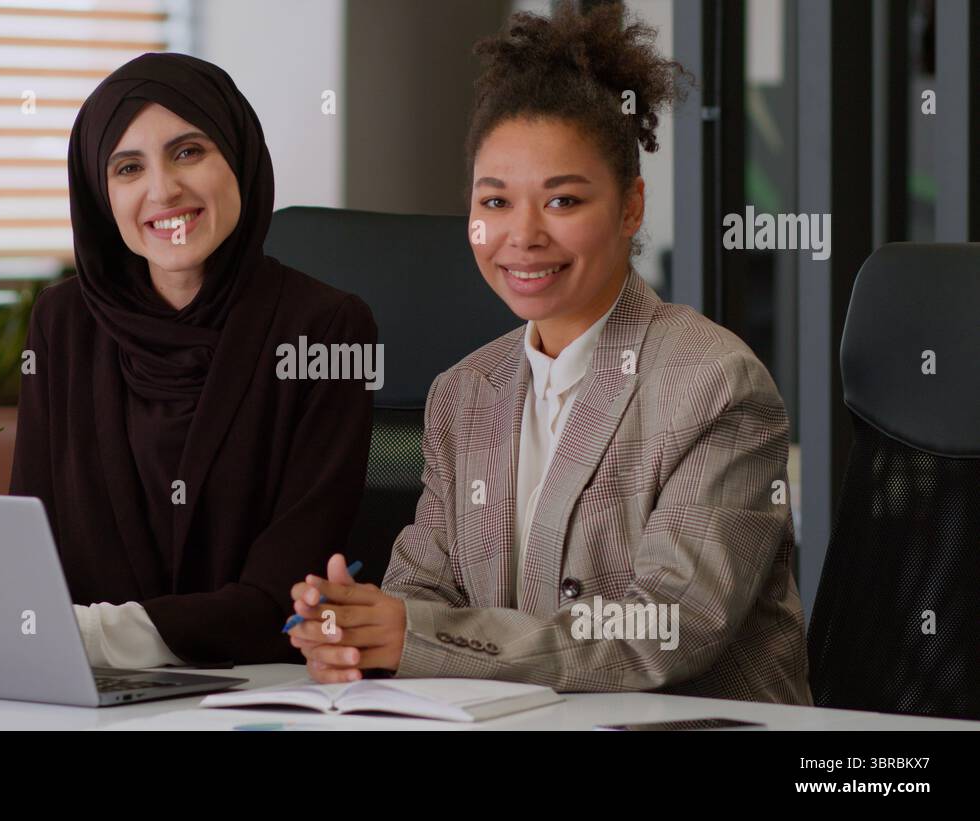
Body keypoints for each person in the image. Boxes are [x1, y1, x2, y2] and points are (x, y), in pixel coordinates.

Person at [285, 5, 811, 705]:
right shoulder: (464, 391)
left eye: (562, 201)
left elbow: (664, 629)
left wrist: (420, 635)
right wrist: (359, 628)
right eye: (495, 201)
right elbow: (424, 590)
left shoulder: (714, 384)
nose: (522, 235)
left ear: (630, 208)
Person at [10, 52, 377, 667]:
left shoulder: (328, 329)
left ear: (237, 155)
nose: (163, 190)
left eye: (188, 152)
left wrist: (90, 638)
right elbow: (28, 556)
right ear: (102, 196)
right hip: (79, 696)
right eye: (128, 167)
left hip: (257, 693)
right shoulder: (62, 324)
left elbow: (285, 600)